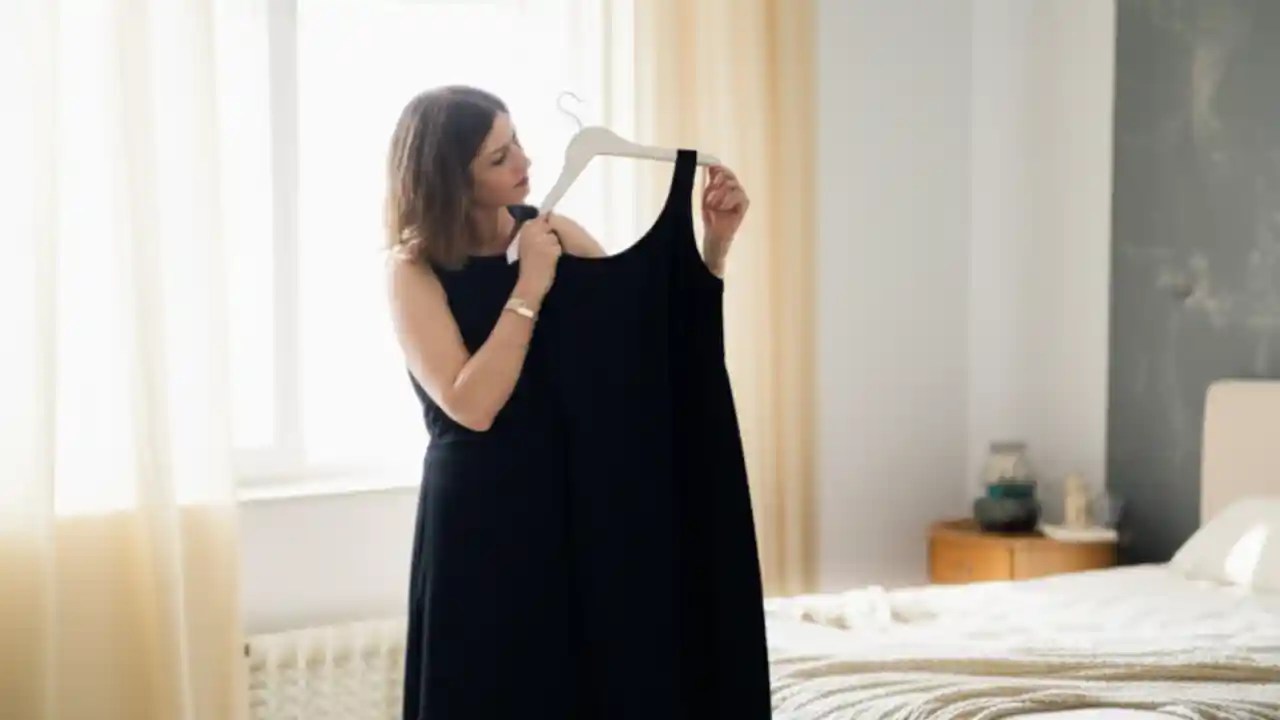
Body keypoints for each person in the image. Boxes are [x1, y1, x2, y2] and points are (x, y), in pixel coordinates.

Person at [383, 85, 750, 718]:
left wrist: (713, 245)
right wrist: (530, 283)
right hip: (478, 520)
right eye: (499, 158)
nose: (524, 162)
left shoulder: (556, 233)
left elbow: (652, 346)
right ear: (451, 180)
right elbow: (471, 405)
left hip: (569, 501)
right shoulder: (412, 269)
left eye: (516, 141)